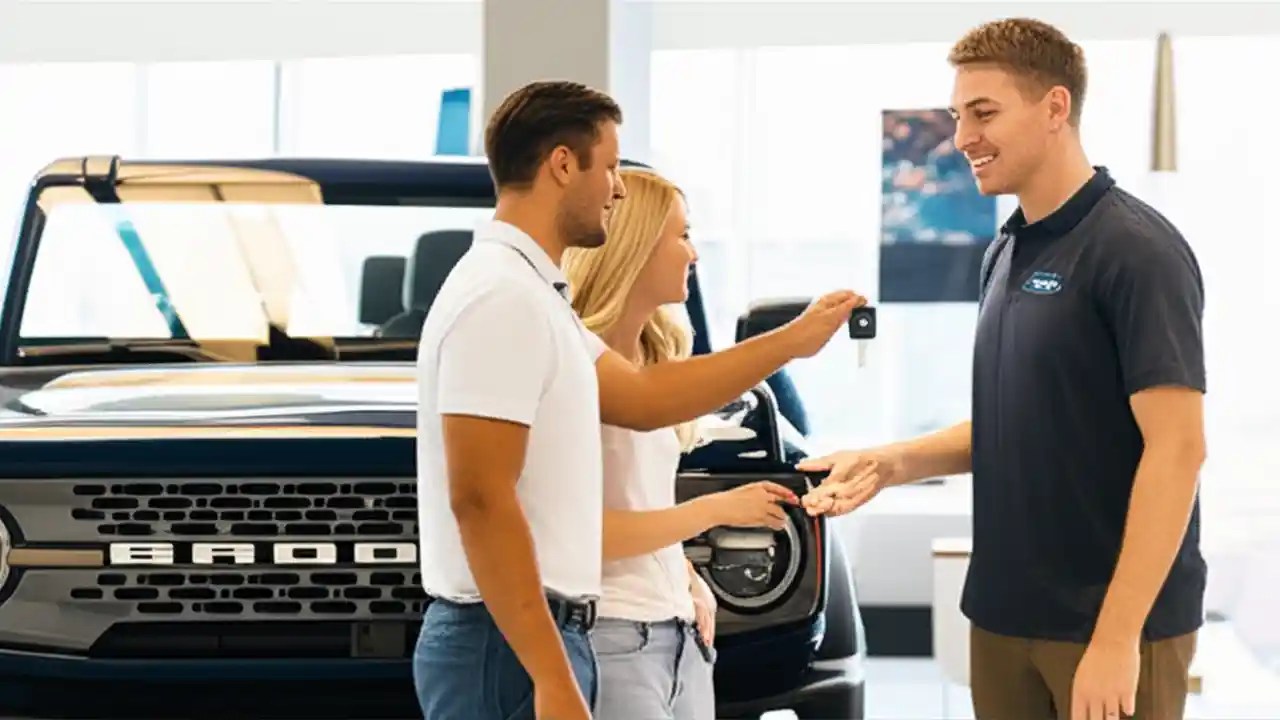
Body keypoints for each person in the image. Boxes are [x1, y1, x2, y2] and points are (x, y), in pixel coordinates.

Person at [414, 80, 863, 720]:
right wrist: (551, 678)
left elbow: (646, 397)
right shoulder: (500, 297)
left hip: (537, 634)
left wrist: (793, 341)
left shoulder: (536, 296)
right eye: (612, 165)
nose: (619, 189)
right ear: (563, 165)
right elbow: (481, 499)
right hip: (506, 643)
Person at [801, 18, 1207, 720]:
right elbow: (1018, 423)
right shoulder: (1005, 252)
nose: (962, 138)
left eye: (984, 113)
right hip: (1002, 616)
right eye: (960, 117)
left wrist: (1116, 638)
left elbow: (1179, 449)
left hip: (1106, 629)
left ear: (1055, 108)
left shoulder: (1137, 251)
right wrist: (888, 462)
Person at [561, 168, 801, 719]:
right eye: (682, 235)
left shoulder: (650, 364)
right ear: (635, 248)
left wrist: (689, 581)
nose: (693, 254)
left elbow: (638, 504)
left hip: (676, 634)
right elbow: (582, 533)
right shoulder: (576, 375)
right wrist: (716, 510)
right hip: (611, 639)